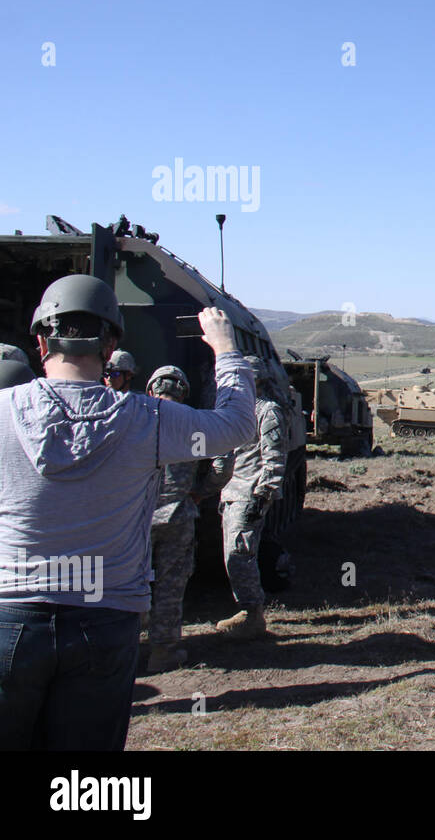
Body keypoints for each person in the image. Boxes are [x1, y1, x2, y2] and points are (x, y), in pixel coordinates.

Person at [0, 275, 256, 749]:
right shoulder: (148, 418)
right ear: (112, 342)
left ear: (39, 342)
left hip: (11, 615)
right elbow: (238, 425)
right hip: (106, 619)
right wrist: (225, 348)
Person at [212, 356, 287, 640]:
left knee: (239, 555)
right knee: (233, 554)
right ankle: (247, 609)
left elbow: (274, 457)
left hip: (249, 493)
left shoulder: (268, 412)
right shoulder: (239, 410)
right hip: (232, 491)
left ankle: (251, 614)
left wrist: (263, 494)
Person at [143, 365, 201, 673]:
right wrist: (201, 492)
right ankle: (162, 652)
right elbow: (222, 464)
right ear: (183, 390)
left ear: (151, 389)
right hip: (178, 512)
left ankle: (123, 650)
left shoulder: (135, 416)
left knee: (128, 582)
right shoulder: (193, 422)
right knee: (170, 585)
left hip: (137, 517)